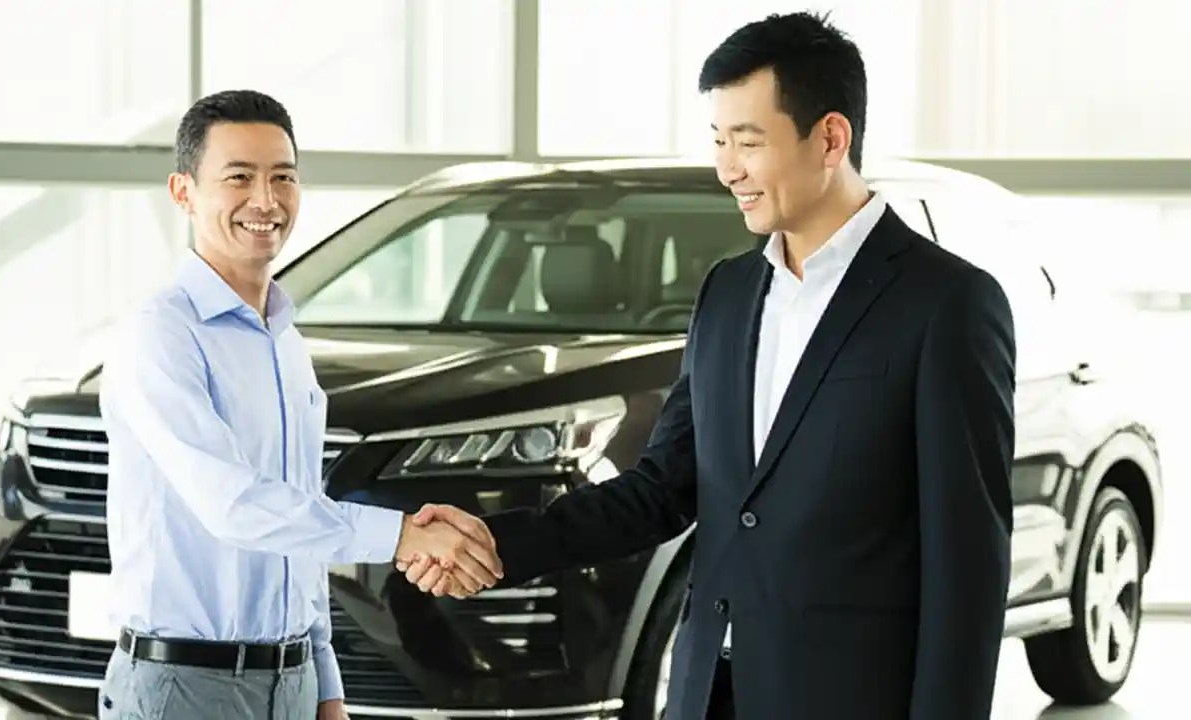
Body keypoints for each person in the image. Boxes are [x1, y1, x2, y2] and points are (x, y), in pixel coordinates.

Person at [399, 12, 1016, 720]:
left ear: (831, 139)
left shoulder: (946, 303)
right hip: (707, 693)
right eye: (719, 140)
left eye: (748, 142)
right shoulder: (728, 293)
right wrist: (498, 544)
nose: (728, 169)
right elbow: (664, 487)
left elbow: (967, 566)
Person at [97, 89, 502, 720]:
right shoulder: (161, 334)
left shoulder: (283, 338)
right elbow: (234, 504)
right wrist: (400, 536)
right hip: (184, 688)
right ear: (183, 192)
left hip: (290, 684)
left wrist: (323, 680)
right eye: (239, 178)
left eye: (283, 177)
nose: (266, 200)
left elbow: (297, 518)